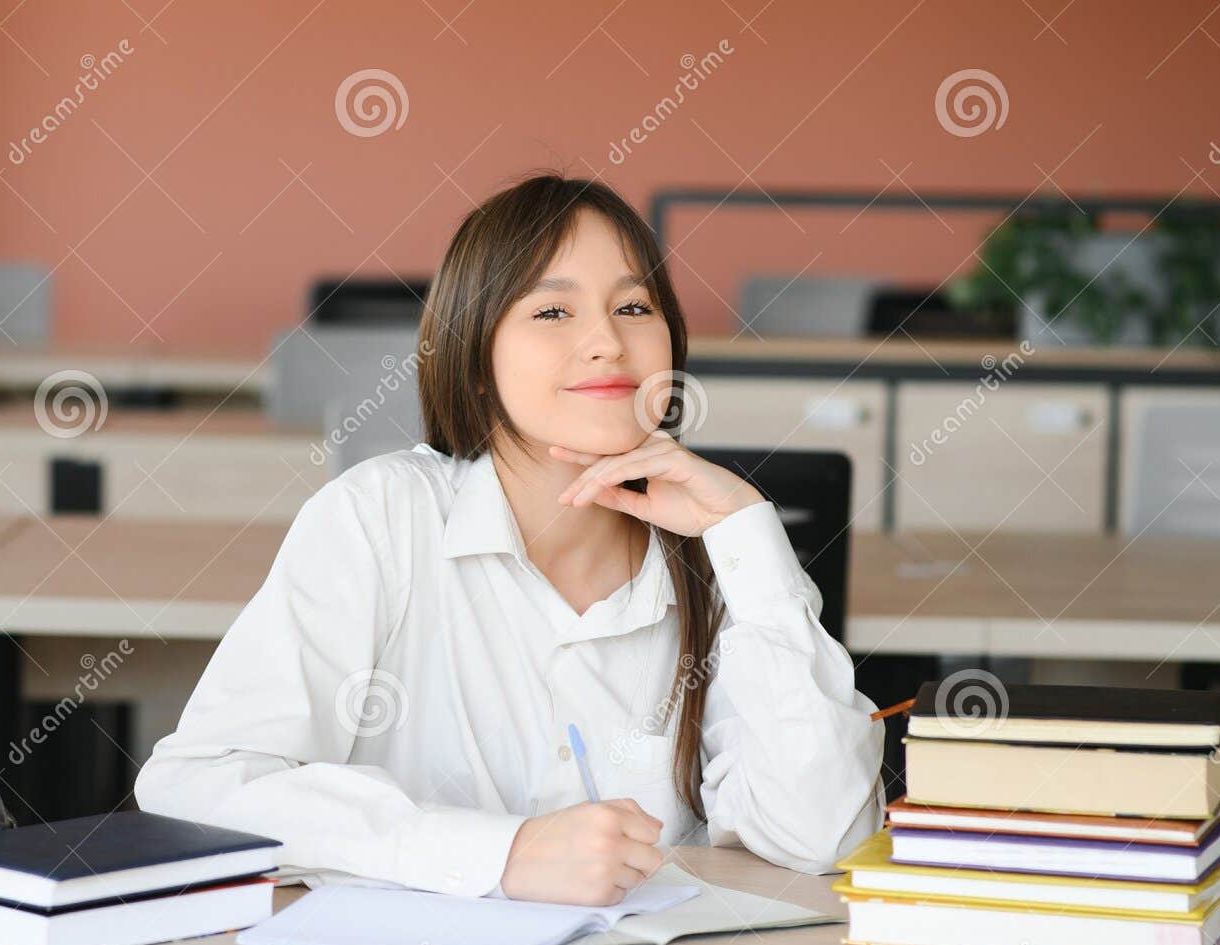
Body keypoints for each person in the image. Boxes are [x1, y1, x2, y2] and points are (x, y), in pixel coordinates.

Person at [134, 172, 883, 906]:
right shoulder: (382, 519)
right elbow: (198, 787)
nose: (607, 343)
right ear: (477, 356)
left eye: (634, 305)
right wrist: (502, 853)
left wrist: (747, 537)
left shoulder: (719, 567)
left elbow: (824, 837)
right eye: (553, 313)